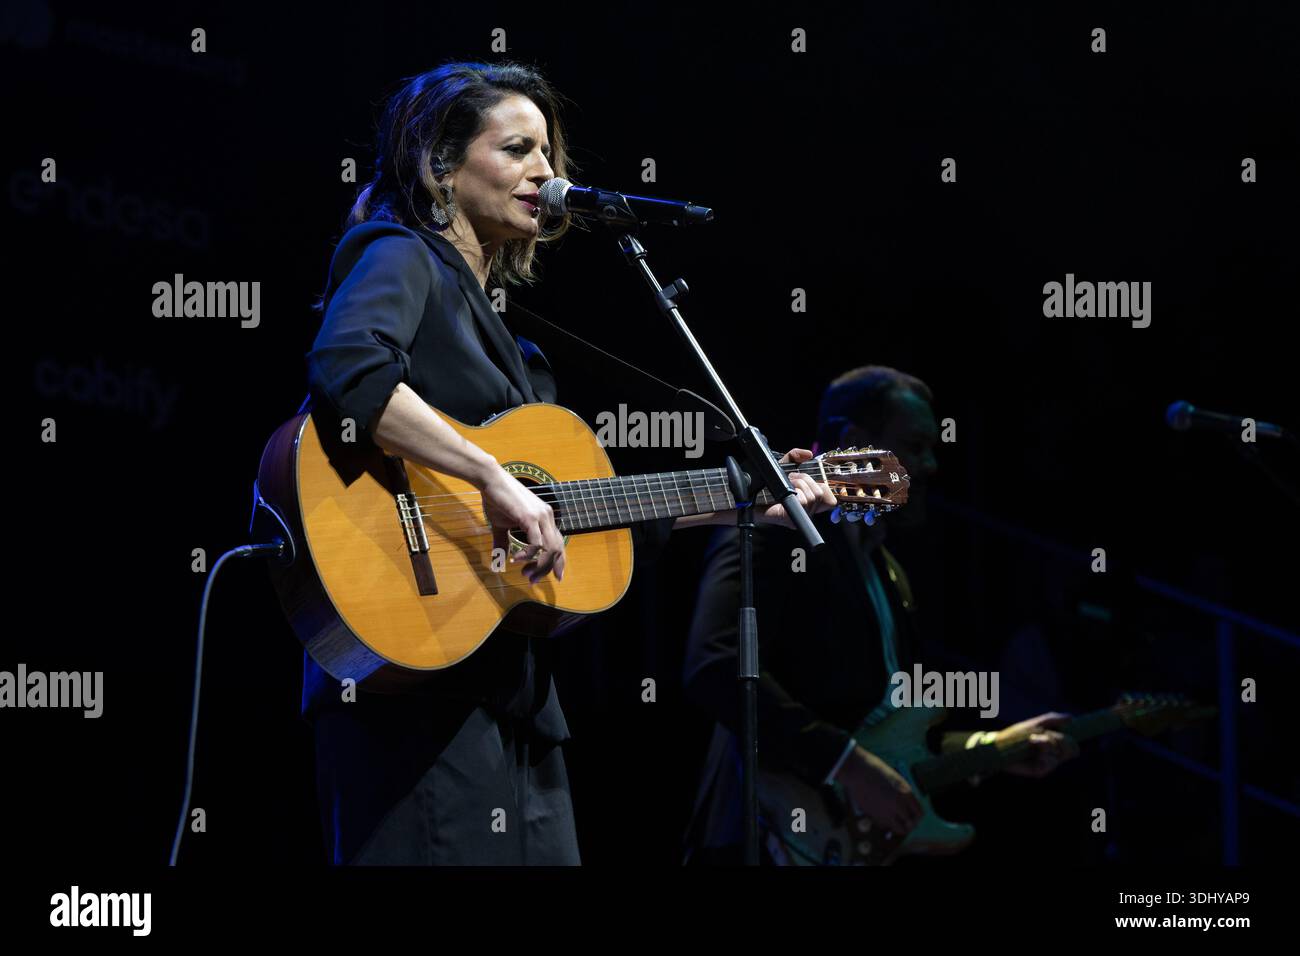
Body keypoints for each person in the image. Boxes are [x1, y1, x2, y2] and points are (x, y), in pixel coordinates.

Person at [301, 61, 836, 865]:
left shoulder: (524, 360)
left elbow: (583, 513)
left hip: (513, 698)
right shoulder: (398, 254)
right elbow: (350, 371)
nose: (546, 173)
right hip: (410, 677)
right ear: (438, 165)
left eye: (549, 152)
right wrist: (491, 477)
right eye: (517, 149)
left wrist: (740, 499)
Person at [682, 365, 1079, 864]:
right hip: (760, 835)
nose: (931, 464)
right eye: (914, 445)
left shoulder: (885, 569)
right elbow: (713, 662)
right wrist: (846, 765)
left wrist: (993, 747)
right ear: (853, 442)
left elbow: (886, 738)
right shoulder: (773, 527)